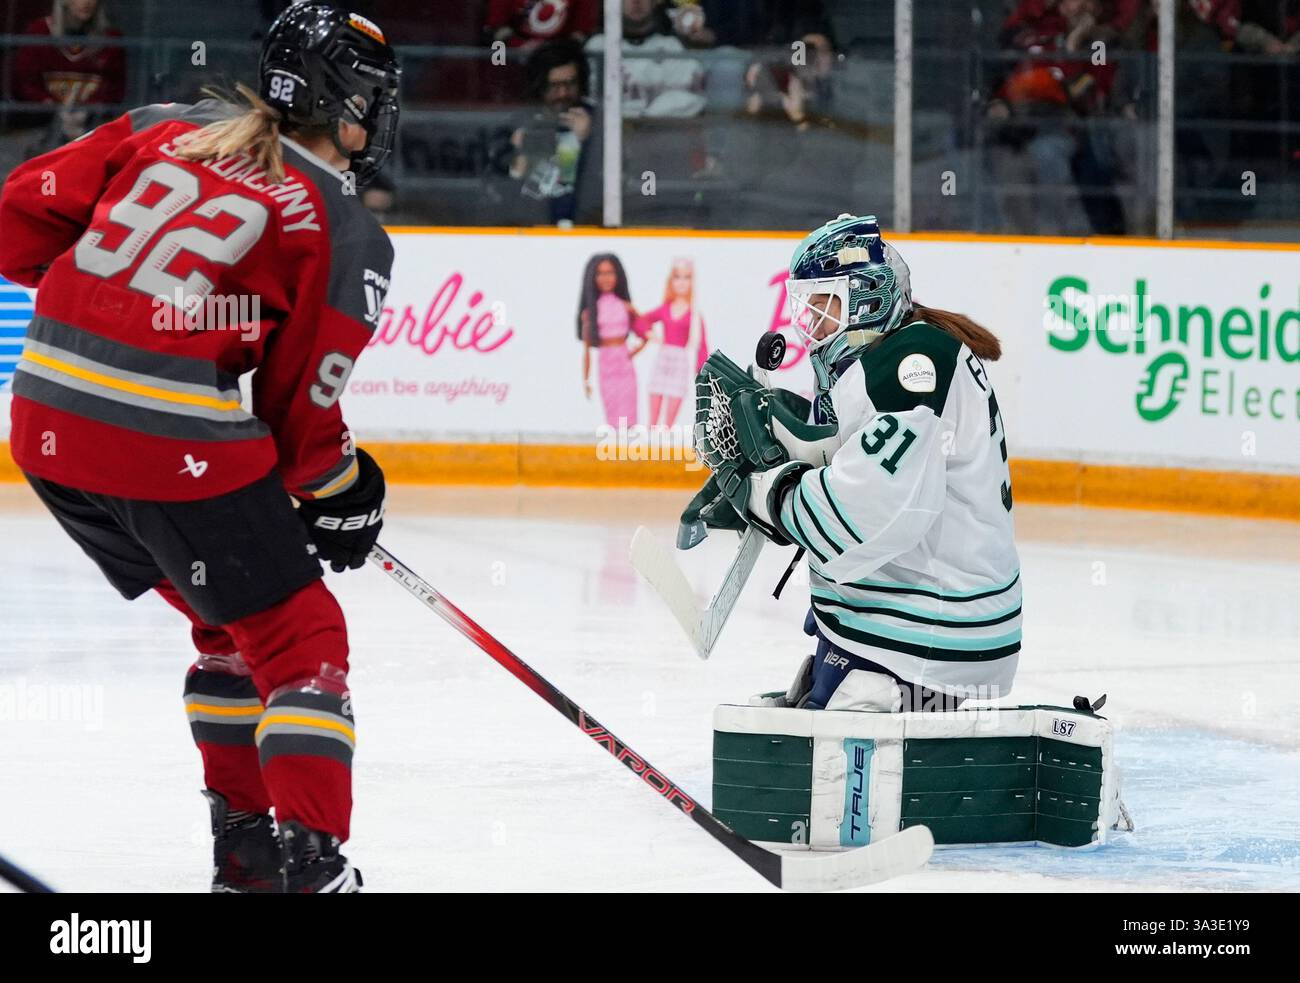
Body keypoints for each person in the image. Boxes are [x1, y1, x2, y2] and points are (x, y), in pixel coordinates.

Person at [0, 3, 401, 893]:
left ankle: (249, 855)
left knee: (227, 622)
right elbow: (304, 437)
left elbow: (16, 221)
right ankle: (308, 870)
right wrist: (348, 490)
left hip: (45, 425)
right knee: (299, 637)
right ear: (346, 104)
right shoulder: (344, 229)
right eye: (370, 97)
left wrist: (113, 305)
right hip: (165, 442)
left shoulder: (162, 127)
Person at [686, 215, 1021, 712]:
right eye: (806, 307)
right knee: (809, 697)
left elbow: (866, 510)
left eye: (824, 304)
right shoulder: (898, 351)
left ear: (867, 297)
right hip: (914, 608)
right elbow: (856, 453)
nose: (812, 325)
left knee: (837, 736)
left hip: (934, 631)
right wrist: (779, 434)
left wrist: (769, 492)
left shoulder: (913, 364)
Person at [11, 0, 126, 149]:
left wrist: (87, 111)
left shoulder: (111, 39)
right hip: (41, 126)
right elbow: (24, 83)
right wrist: (51, 107)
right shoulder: (39, 33)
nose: (86, 3)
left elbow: (115, 89)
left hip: (93, 126)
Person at [509, 39, 600, 225]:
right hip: (527, 231)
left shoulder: (600, 122)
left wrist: (589, 141)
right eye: (554, 86)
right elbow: (495, 195)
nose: (563, 94)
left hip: (583, 229)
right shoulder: (518, 122)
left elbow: (613, 191)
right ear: (539, 86)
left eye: (570, 84)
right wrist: (516, 157)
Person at [634, 258, 707, 427]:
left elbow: (702, 345)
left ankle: (665, 437)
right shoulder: (665, 309)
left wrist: (701, 370)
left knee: (672, 410)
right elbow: (642, 320)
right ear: (671, 280)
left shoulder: (694, 314)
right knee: (654, 404)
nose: (681, 282)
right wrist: (649, 333)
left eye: (686, 277)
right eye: (677, 277)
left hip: (680, 361)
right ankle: (651, 437)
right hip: (663, 357)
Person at [577, 253, 646, 426]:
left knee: (628, 411)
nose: (605, 278)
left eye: (610, 273)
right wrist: (586, 380)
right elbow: (586, 351)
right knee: (612, 410)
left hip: (624, 363)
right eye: (600, 273)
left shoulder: (625, 307)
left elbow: (646, 332)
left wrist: (634, 351)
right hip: (605, 365)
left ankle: (629, 448)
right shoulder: (590, 313)